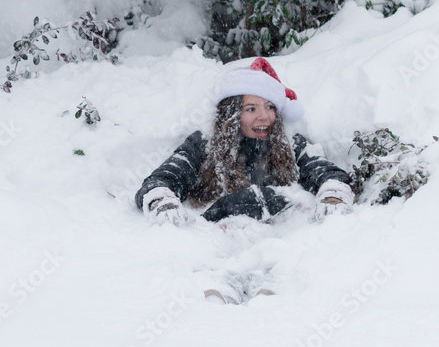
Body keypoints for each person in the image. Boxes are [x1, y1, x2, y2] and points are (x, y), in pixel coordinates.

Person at [135, 57, 354, 226]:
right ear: (231, 115)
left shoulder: (290, 143)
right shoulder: (204, 145)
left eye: (270, 107)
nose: (264, 116)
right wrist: (161, 202)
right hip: (216, 244)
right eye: (251, 109)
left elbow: (325, 171)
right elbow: (162, 180)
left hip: (280, 248)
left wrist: (332, 195)